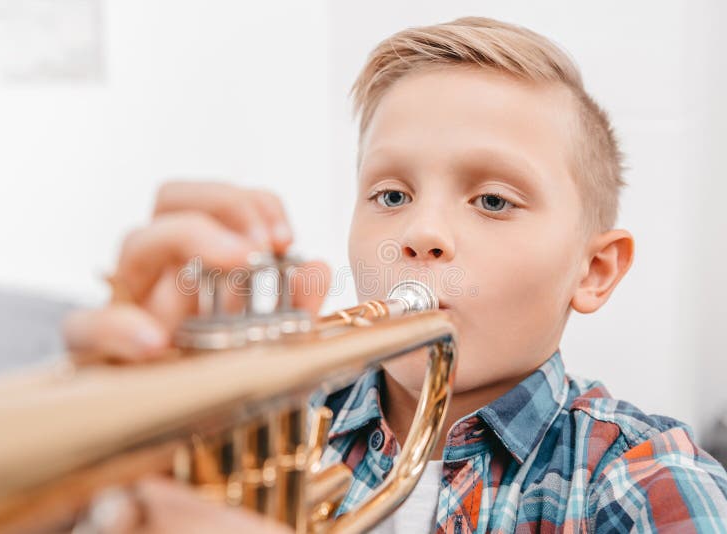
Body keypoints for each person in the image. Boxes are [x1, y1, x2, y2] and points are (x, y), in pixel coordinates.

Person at [63, 16, 727, 533]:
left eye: (493, 200)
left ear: (594, 270)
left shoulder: (646, 476)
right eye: (391, 195)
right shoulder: (266, 427)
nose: (420, 233)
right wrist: (115, 455)